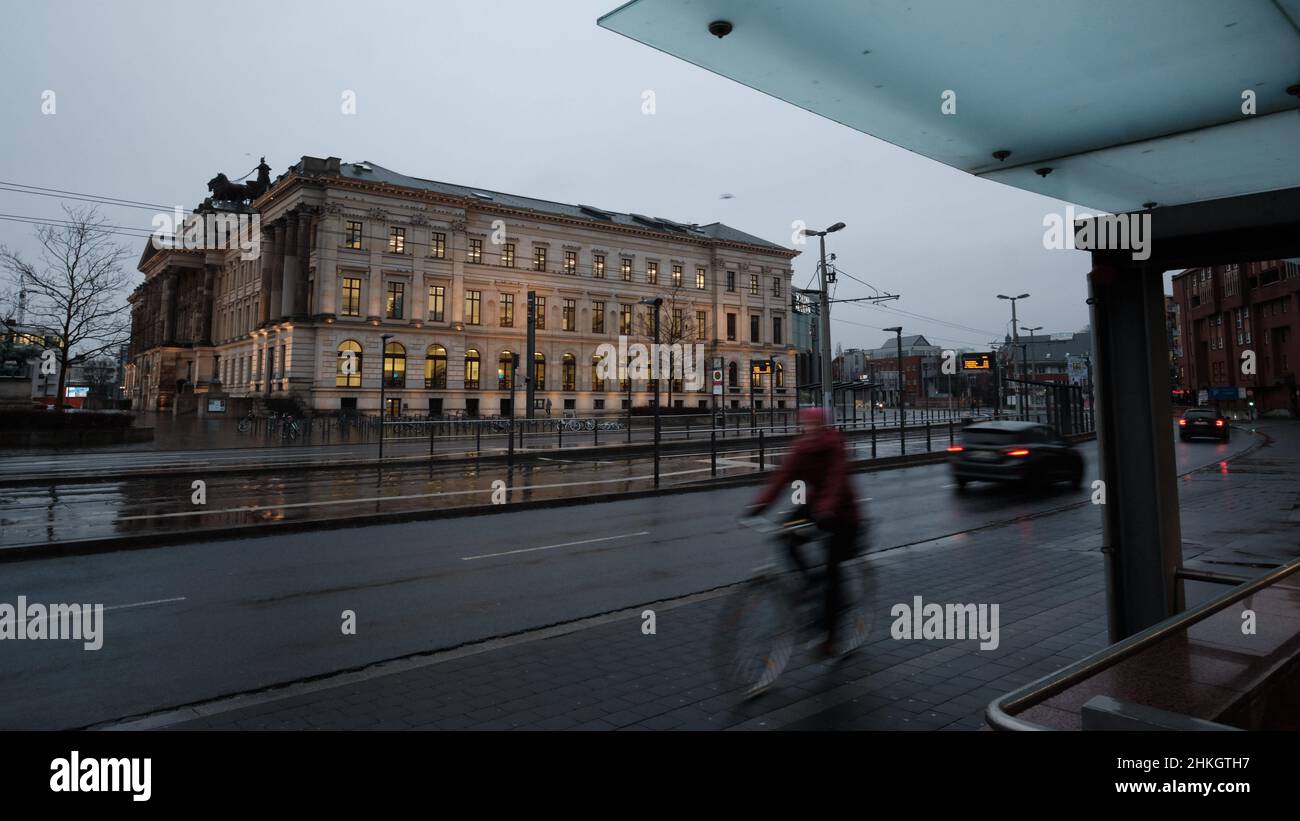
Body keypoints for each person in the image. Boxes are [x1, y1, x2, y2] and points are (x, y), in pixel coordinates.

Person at [746, 407, 861, 658]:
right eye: (804, 425)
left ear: (822, 426)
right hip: (814, 506)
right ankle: (810, 581)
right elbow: (781, 478)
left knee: (833, 571)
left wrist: (826, 511)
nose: (807, 430)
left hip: (843, 513)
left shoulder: (834, 446)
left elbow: (836, 480)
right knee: (785, 535)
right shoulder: (801, 448)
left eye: (812, 425)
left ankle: (831, 638)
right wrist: (757, 506)